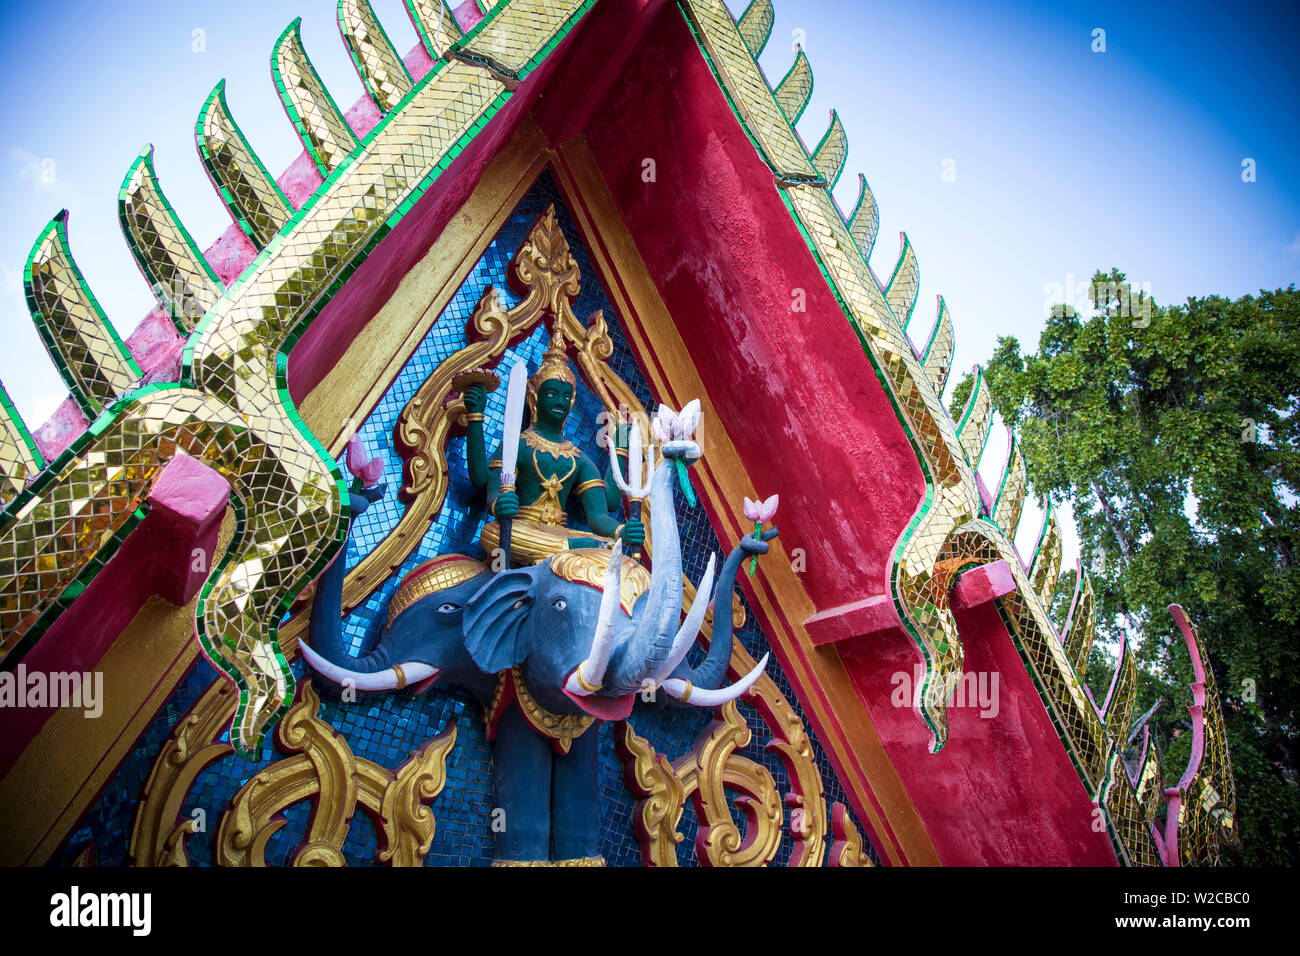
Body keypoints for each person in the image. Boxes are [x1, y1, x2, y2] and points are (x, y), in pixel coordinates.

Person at [463, 340, 644, 565]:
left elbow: (604, 507)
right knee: (492, 533)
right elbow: (482, 480)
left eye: (566, 396)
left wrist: (620, 531)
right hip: (520, 531)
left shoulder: (578, 459)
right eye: (551, 394)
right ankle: (568, 551)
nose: (560, 401)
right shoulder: (517, 445)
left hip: (559, 534)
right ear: (534, 397)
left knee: (611, 553)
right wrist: (475, 417)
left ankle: (571, 549)